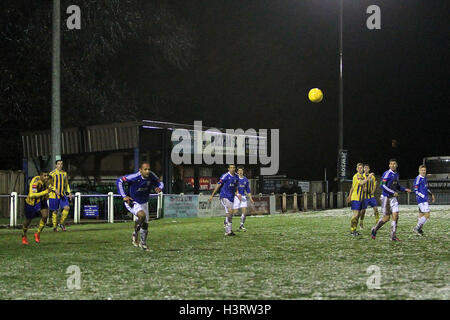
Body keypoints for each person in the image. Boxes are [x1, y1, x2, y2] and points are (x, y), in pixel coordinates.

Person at [116, 162, 164, 251]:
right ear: (140, 170)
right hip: (132, 201)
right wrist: (124, 196)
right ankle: (135, 233)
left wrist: (160, 187)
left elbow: (160, 183)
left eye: (149, 169)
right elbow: (119, 180)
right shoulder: (134, 177)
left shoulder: (151, 176)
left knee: (145, 225)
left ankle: (143, 244)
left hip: (144, 202)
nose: (148, 171)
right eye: (145, 169)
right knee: (142, 215)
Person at [371, 159, 411, 241]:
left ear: (396, 165)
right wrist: (392, 192)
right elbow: (382, 185)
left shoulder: (396, 174)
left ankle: (393, 236)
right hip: (386, 198)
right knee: (386, 218)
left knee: (396, 216)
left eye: (394, 164)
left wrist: (404, 189)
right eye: (391, 164)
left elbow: (397, 186)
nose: (392, 165)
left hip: (393, 198)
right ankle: (374, 229)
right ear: (389, 165)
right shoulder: (387, 173)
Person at [22, 171, 54, 244]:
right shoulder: (35, 182)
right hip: (32, 202)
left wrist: (47, 195)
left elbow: (49, 189)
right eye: (44, 176)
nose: (46, 177)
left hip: (42, 200)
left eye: (47, 176)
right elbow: (32, 195)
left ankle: (37, 234)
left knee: (45, 216)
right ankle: (24, 235)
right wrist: (46, 192)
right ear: (40, 176)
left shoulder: (47, 181)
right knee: (28, 220)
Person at [208, 164, 239, 236]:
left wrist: (237, 193)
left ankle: (227, 227)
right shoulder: (225, 176)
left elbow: (236, 185)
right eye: (231, 168)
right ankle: (228, 231)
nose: (233, 169)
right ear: (228, 169)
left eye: (234, 168)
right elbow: (218, 185)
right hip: (224, 196)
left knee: (230, 213)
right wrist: (212, 195)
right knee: (230, 211)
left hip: (231, 197)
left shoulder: (236, 176)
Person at [346, 163, 373, 236]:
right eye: (359, 168)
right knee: (356, 215)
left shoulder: (362, 177)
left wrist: (365, 189)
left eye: (362, 168)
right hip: (356, 198)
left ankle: (354, 230)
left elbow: (353, 187)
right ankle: (351, 231)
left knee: (358, 215)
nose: (360, 169)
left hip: (361, 199)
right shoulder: (357, 176)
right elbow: (361, 183)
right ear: (357, 169)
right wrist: (369, 177)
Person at [48, 160, 72, 232]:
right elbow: (48, 185)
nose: (60, 165)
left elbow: (66, 184)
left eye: (61, 164)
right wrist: (55, 189)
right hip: (53, 195)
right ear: (56, 165)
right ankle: (55, 227)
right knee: (55, 211)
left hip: (62, 194)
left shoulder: (64, 173)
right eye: (58, 164)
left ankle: (61, 223)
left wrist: (69, 192)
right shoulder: (52, 174)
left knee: (67, 208)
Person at [413, 165, 435, 236]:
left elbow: (426, 188)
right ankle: (417, 228)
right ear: (419, 171)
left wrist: (431, 194)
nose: (423, 171)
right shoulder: (418, 178)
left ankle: (419, 230)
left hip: (424, 199)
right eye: (422, 170)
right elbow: (415, 190)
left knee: (421, 215)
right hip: (421, 200)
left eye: (424, 170)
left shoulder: (424, 178)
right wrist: (422, 196)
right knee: (427, 215)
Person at [233, 167, 254, 231]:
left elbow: (248, 190)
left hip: (243, 197)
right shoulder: (235, 179)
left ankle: (241, 225)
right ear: (237, 172)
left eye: (241, 170)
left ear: (243, 171)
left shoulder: (246, 180)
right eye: (239, 170)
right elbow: (232, 187)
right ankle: (226, 220)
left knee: (244, 212)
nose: (240, 172)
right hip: (236, 197)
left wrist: (251, 198)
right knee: (235, 211)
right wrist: (236, 194)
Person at [359, 164, 380, 229]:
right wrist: (363, 189)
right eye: (364, 168)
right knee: (363, 211)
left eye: (367, 168)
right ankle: (361, 223)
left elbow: (374, 184)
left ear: (369, 169)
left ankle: (377, 223)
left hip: (371, 196)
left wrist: (373, 190)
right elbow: (359, 184)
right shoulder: (361, 176)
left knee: (376, 209)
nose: (365, 169)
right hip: (364, 196)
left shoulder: (372, 177)